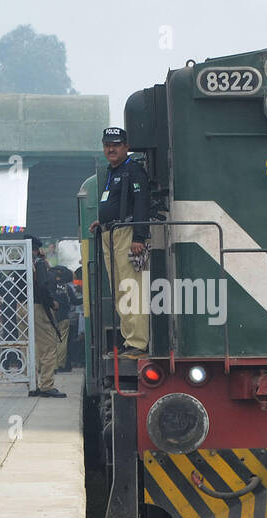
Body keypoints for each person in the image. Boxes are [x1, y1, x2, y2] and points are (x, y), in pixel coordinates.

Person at [88, 126, 150, 358]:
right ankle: (129, 339)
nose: (110, 149)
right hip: (110, 233)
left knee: (132, 287)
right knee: (119, 289)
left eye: (115, 145)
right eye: (107, 145)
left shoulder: (133, 170)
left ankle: (138, 342)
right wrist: (101, 220)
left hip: (126, 234)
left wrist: (139, 236)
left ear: (126, 147)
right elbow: (115, 202)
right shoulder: (112, 171)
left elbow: (141, 202)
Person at [28, 237, 68, 398]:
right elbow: (43, 285)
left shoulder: (17, 263)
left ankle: (32, 383)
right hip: (39, 306)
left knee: (31, 347)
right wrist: (52, 302)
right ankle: (46, 385)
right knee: (49, 346)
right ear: (38, 249)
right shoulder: (38, 263)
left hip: (21, 307)